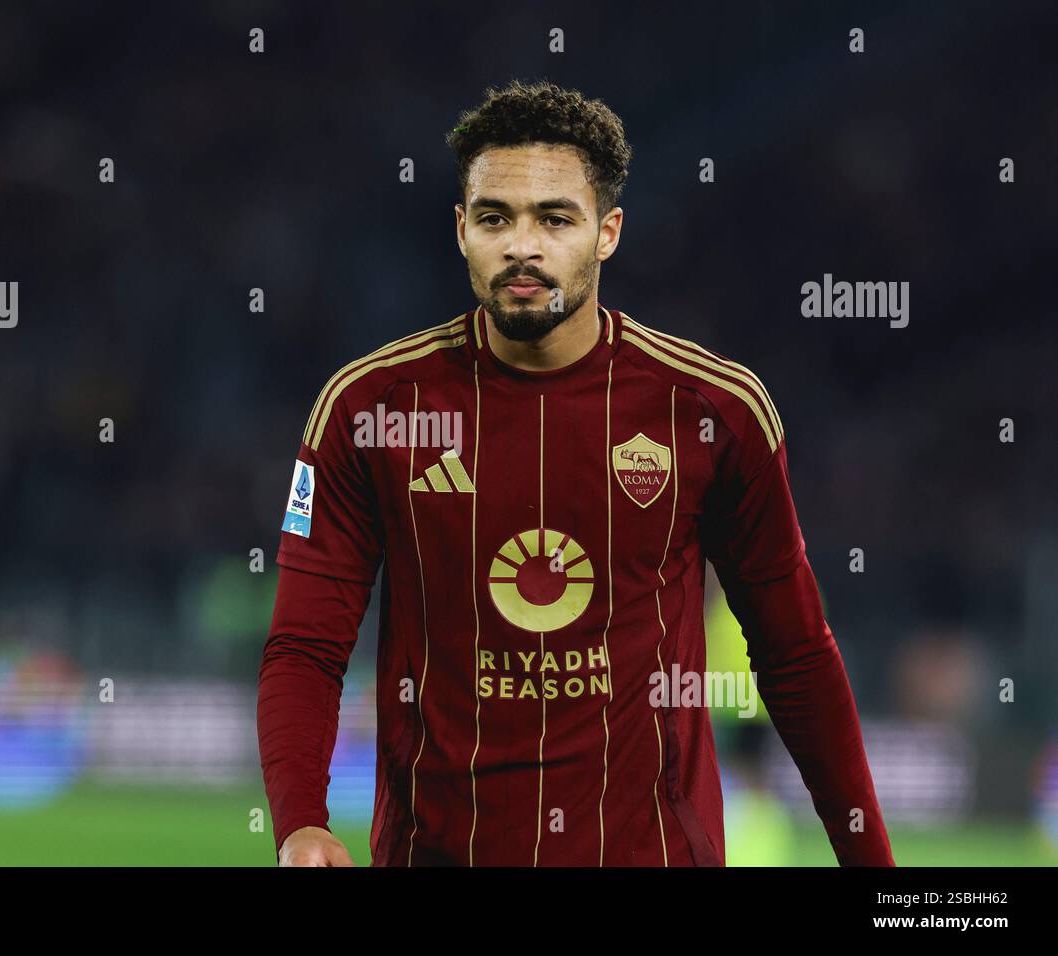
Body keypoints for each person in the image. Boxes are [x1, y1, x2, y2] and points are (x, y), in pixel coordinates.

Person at [257, 78, 894, 867]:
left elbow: (796, 654)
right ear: (461, 229)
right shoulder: (367, 410)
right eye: (495, 217)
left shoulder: (713, 411)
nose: (522, 245)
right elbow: (305, 648)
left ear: (607, 233)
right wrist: (299, 822)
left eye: (555, 218)